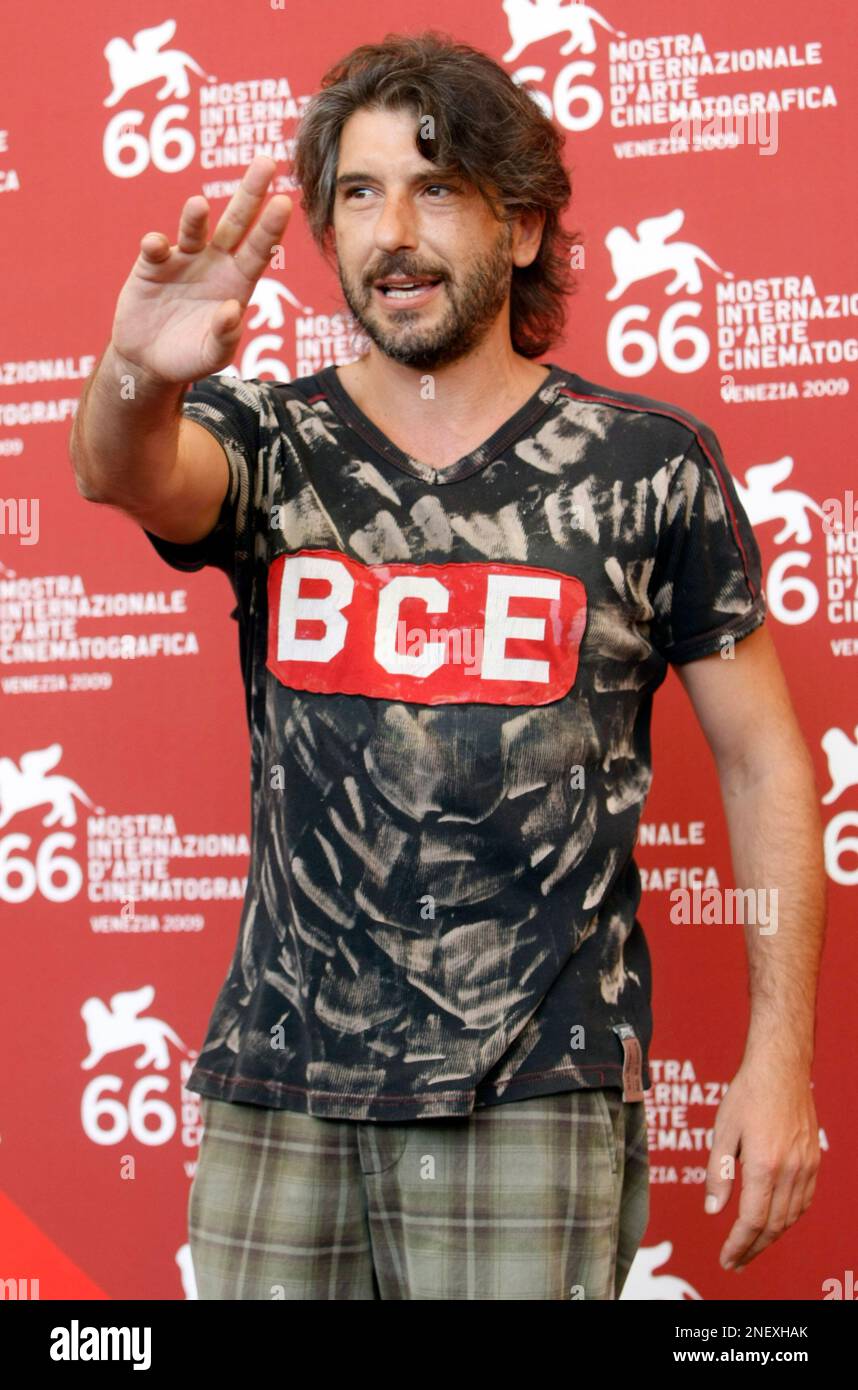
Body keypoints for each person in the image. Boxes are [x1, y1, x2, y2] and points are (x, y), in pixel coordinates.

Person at [69, 31, 825, 1301]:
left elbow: (763, 765)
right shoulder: (270, 438)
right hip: (284, 1078)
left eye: (434, 187)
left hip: (534, 1081)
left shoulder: (650, 465)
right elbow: (124, 469)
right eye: (358, 194)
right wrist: (140, 365)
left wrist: (782, 1055)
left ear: (521, 227)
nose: (392, 232)